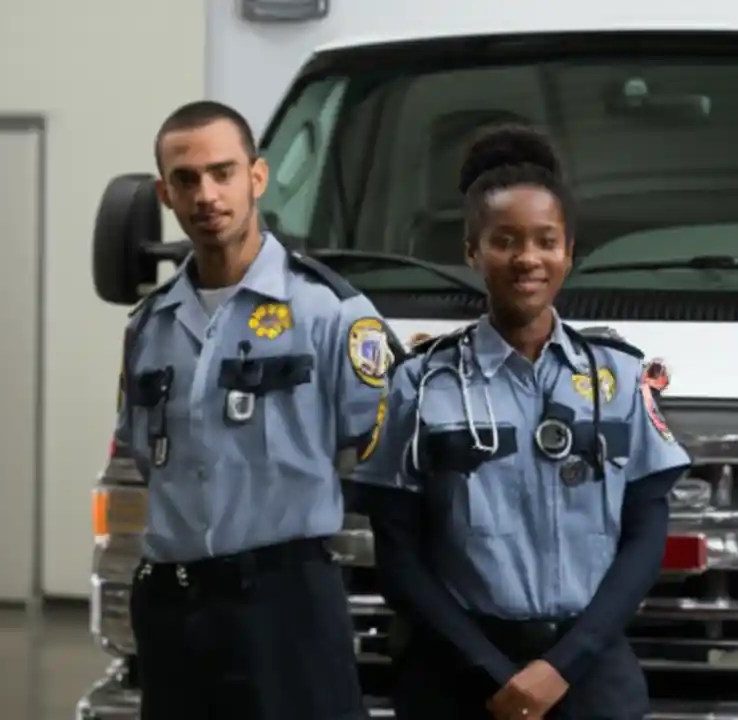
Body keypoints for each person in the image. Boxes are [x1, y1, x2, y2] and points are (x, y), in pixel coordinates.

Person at [357, 123, 692, 719]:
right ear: (471, 251)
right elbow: (399, 559)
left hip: (589, 677)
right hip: (457, 679)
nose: (527, 259)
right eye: (505, 240)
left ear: (569, 251)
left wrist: (560, 668)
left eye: (546, 241)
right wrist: (495, 675)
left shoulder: (620, 378)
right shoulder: (421, 382)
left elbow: (646, 539)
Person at [117, 100, 396, 720]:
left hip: (285, 609)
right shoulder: (149, 327)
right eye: (186, 180)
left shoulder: (331, 313)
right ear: (165, 193)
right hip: (175, 608)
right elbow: (147, 459)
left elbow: (384, 456)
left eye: (223, 173)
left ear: (258, 177)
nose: (206, 195)